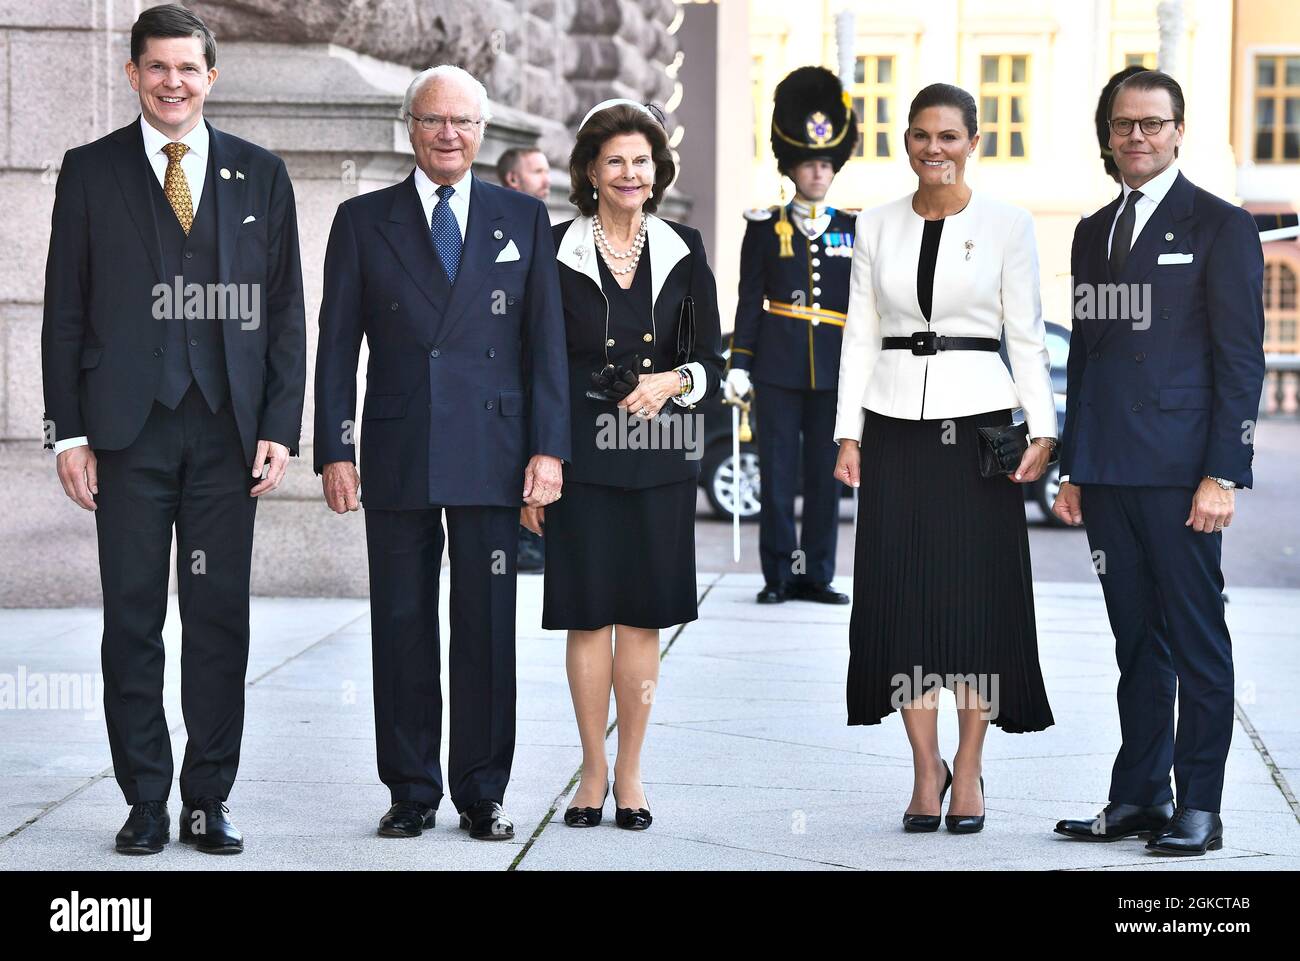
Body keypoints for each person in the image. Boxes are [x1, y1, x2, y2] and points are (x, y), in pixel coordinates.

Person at [39, 3, 306, 855]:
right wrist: (66, 432)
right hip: (127, 436)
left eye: (188, 67)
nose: (173, 81)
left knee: (219, 617)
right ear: (132, 74)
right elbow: (63, 313)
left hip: (228, 436)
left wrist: (280, 425)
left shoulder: (260, 175)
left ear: (211, 77)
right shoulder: (89, 172)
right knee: (132, 621)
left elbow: (288, 312)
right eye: (156, 67)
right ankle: (145, 798)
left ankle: (207, 797)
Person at [313, 65, 570, 841]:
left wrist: (548, 451)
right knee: (400, 620)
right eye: (433, 121)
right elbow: (335, 348)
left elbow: (545, 348)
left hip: (493, 449)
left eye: (462, 121)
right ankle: (412, 788)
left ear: (482, 132)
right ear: (411, 128)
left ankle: (483, 791)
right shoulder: (363, 220)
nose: (448, 134)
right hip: (395, 449)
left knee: (488, 623)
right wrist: (335, 446)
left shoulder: (521, 218)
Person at [1052, 71, 1266, 856]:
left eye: (1151, 123)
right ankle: (1139, 794)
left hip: (1183, 475)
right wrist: (1076, 465)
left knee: (1196, 639)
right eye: (1122, 124)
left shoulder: (1220, 225)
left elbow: (1241, 361)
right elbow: (1086, 358)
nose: (1136, 136)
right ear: (1107, 134)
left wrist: (1224, 472)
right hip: (1108, 473)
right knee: (1135, 642)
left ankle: (1199, 805)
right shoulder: (1090, 230)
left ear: (1179, 130)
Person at [834, 83, 1056, 834]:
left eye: (950, 136)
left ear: (974, 143)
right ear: (906, 141)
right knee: (902, 602)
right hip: (893, 426)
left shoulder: (1008, 224)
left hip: (984, 425)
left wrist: (1044, 430)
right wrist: (848, 433)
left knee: (977, 601)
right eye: (922, 135)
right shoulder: (875, 225)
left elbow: (1024, 335)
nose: (936, 149)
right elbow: (859, 334)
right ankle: (924, 769)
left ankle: (969, 765)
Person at [532, 100, 723, 830]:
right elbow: (538, 364)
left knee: (641, 621)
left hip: (657, 455)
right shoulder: (553, 248)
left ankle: (633, 773)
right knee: (587, 619)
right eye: (614, 160)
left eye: (641, 160)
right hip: (579, 456)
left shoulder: (685, 246)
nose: (629, 172)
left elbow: (711, 355)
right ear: (589, 171)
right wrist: (537, 462)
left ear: (657, 170)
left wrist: (672, 381)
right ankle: (591, 769)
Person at [728, 66, 857, 605]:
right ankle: (778, 575)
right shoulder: (764, 226)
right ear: (793, 169)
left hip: (833, 372)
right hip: (777, 370)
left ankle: (817, 574)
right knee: (778, 476)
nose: (818, 173)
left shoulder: (855, 229)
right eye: (809, 164)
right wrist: (738, 362)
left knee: (824, 480)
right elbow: (748, 297)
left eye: (826, 164)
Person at [497, 145, 553, 573]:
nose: (546, 180)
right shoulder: (497, 223)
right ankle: (521, 544)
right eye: (536, 171)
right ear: (513, 179)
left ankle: (530, 537)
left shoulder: (542, 224)